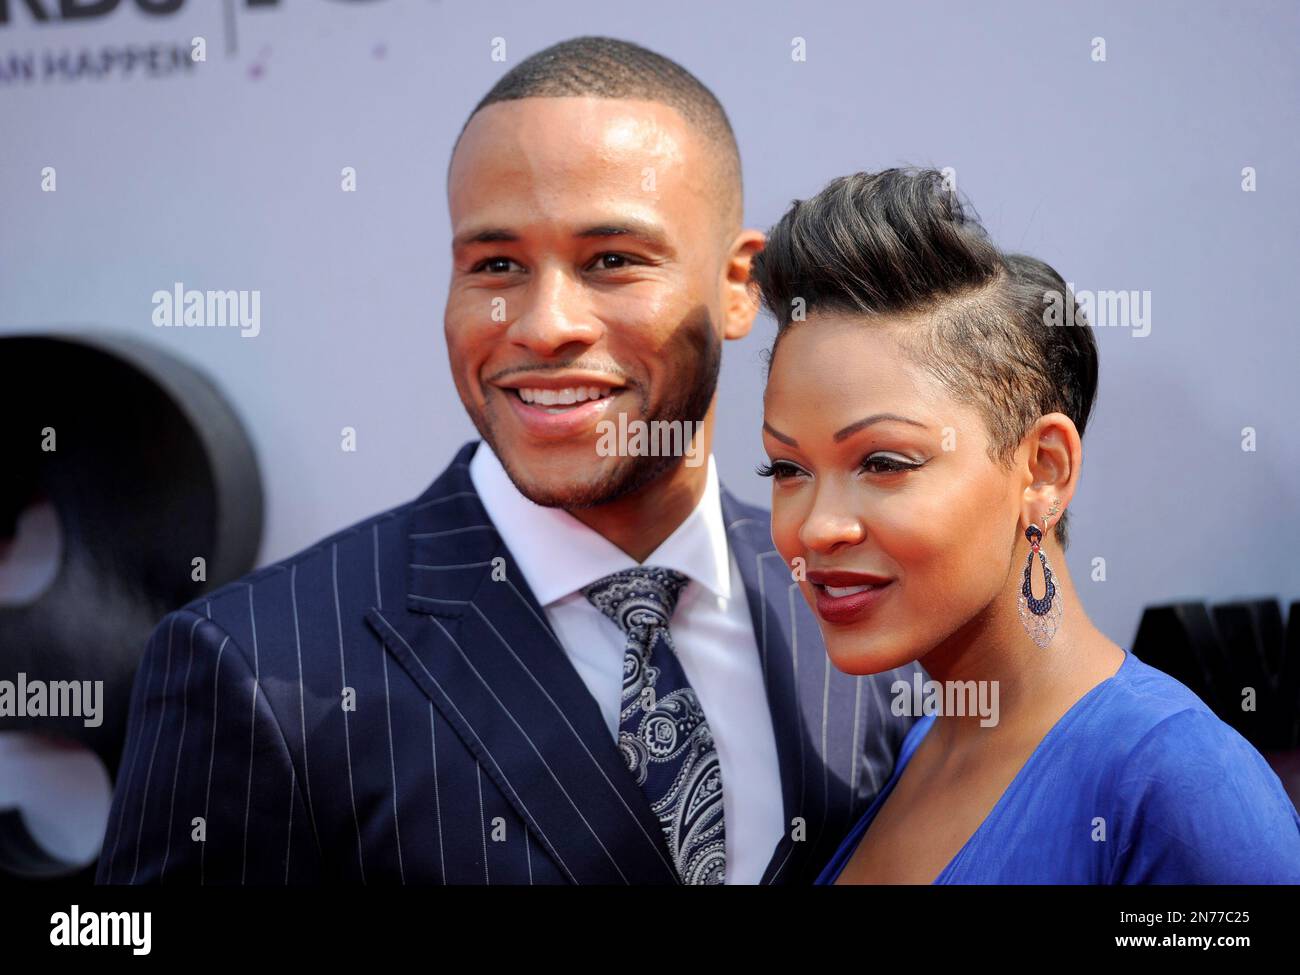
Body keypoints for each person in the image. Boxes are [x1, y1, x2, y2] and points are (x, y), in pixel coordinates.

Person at [95, 37, 921, 886]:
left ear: (738, 285)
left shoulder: (860, 602)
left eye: (611, 261)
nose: (543, 323)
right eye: (496, 265)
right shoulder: (257, 664)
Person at [748, 167, 1300, 884]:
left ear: (1042, 470)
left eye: (883, 461)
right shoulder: (916, 750)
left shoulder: (1178, 786)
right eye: (787, 469)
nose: (818, 528)